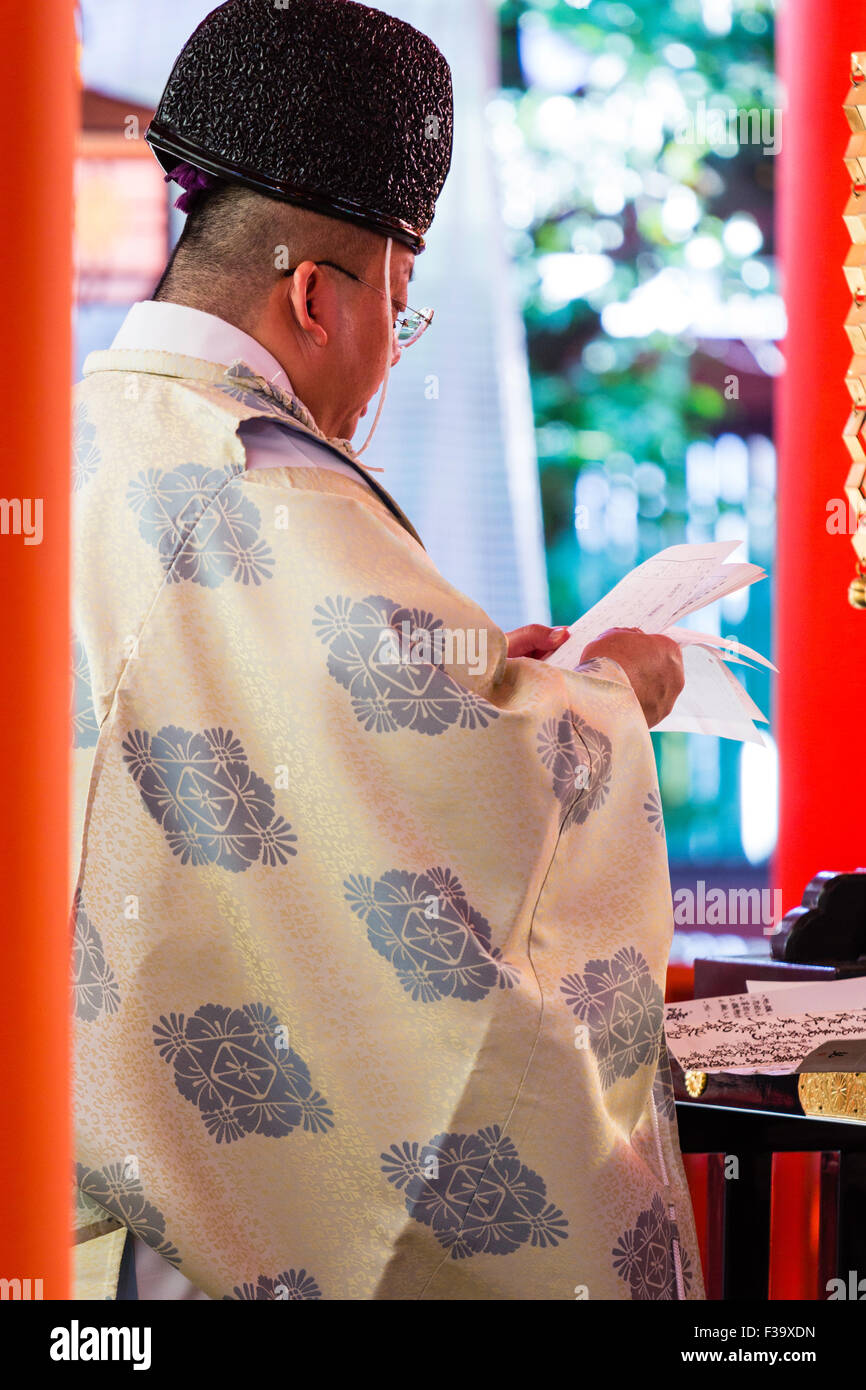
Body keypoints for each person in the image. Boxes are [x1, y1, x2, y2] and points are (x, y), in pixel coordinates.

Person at [71, 0, 700, 1301]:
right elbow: (473, 796)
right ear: (313, 293)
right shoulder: (273, 488)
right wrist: (607, 700)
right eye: (398, 314)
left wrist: (486, 680)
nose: (382, 365)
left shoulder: (61, 444)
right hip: (210, 1245)